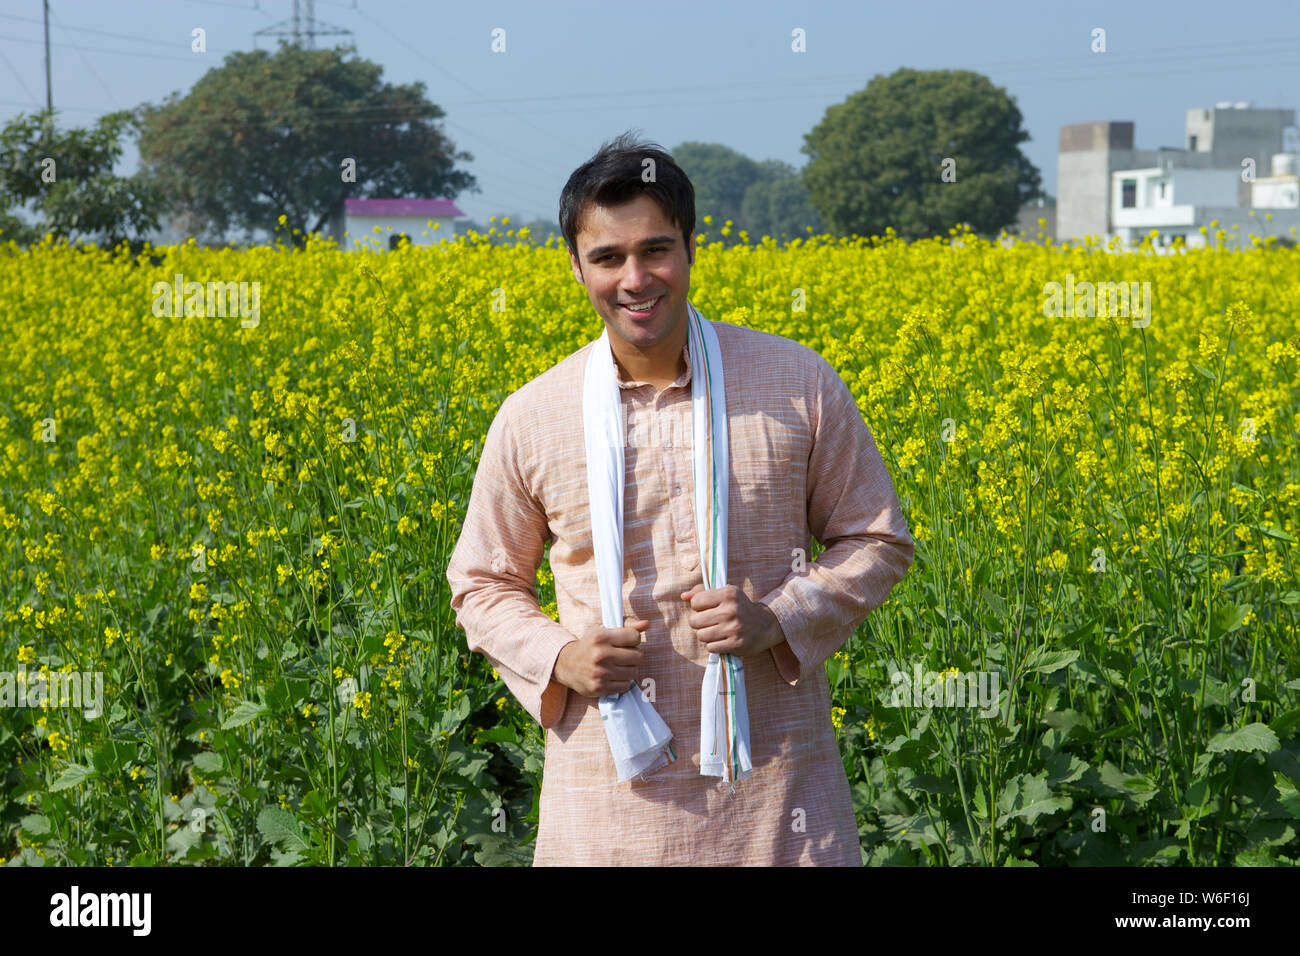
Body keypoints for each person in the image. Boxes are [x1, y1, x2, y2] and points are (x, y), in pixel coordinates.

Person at [446, 131, 914, 865]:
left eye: (655, 249)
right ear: (576, 267)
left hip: (779, 803)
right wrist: (561, 655)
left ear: (692, 249)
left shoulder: (795, 384)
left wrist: (776, 618)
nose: (636, 278)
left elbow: (877, 538)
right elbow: (481, 582)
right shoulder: (534, 415)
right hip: (606, 807)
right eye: (608, 257)